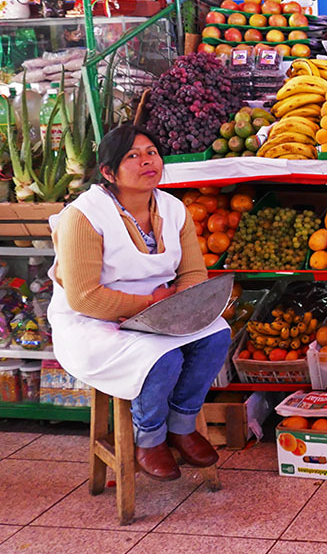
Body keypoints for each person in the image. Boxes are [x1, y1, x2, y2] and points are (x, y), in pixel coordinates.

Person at [47, 124, 231, 480]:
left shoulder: (173, 209)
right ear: (108, 172)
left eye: (152, 152)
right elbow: (84, 296)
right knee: (163, 358)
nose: (147, 161)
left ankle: (181, 424)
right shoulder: (85, 215)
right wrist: (150, 303)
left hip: (157, 311)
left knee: (216, 335)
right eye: (132, 156)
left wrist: (178, 304)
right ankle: (149, 439)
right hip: (93, 321)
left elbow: (193, 272)